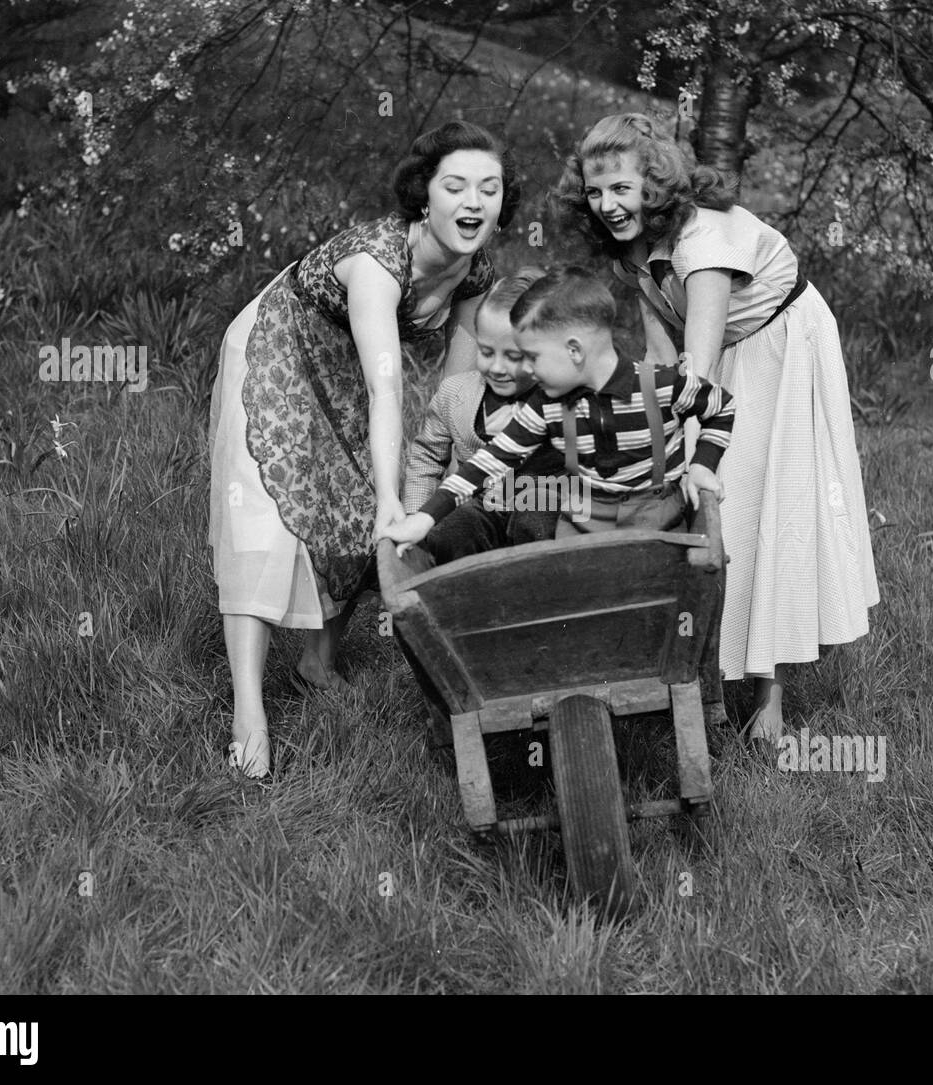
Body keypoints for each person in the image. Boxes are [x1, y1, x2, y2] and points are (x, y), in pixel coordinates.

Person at [553, 112, 879, 741]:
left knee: (763, 499)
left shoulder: (703, 245)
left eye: (621, 188)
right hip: (730, 348)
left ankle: (770, 700)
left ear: (653, 182)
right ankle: (710, 677)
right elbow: (659, 356)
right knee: (703, 488)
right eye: (595, 192)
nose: (608, 204)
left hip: (784, 344)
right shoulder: (634, 248)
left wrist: (675, 440)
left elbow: (696, 373)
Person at [208, 121, 519, 777]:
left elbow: (456, 395)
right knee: (269, 518)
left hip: (346, 365)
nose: (472, 203)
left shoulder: (475, 270)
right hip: (280, 347)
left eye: (488, 190)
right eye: (455, 186)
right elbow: (387, 388)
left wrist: (439, 501)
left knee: (355, 512)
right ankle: (248, 712)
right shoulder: (381, 258)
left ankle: (317, 664)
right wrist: (388, 496)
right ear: (423, 196)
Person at [381, 265, 734, 551]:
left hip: (652, 528)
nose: (529, 371)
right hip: (581, 529)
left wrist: (703, 465)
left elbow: (721, 407)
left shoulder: (661, 385)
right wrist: (424, 518)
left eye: (532, 357)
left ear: (575, 351)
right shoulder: (548, 406)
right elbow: (487, 462)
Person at [402, 267, 564, 565]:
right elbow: (426, 456)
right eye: (487, 352)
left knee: (538, 518)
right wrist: (416, 515)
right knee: (452, 527)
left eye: (514, 357)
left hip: (543, 504)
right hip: (480, 502)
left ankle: (539, 596)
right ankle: (466, 592)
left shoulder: (561, 398)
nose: (497, 368)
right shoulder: (455, 394)